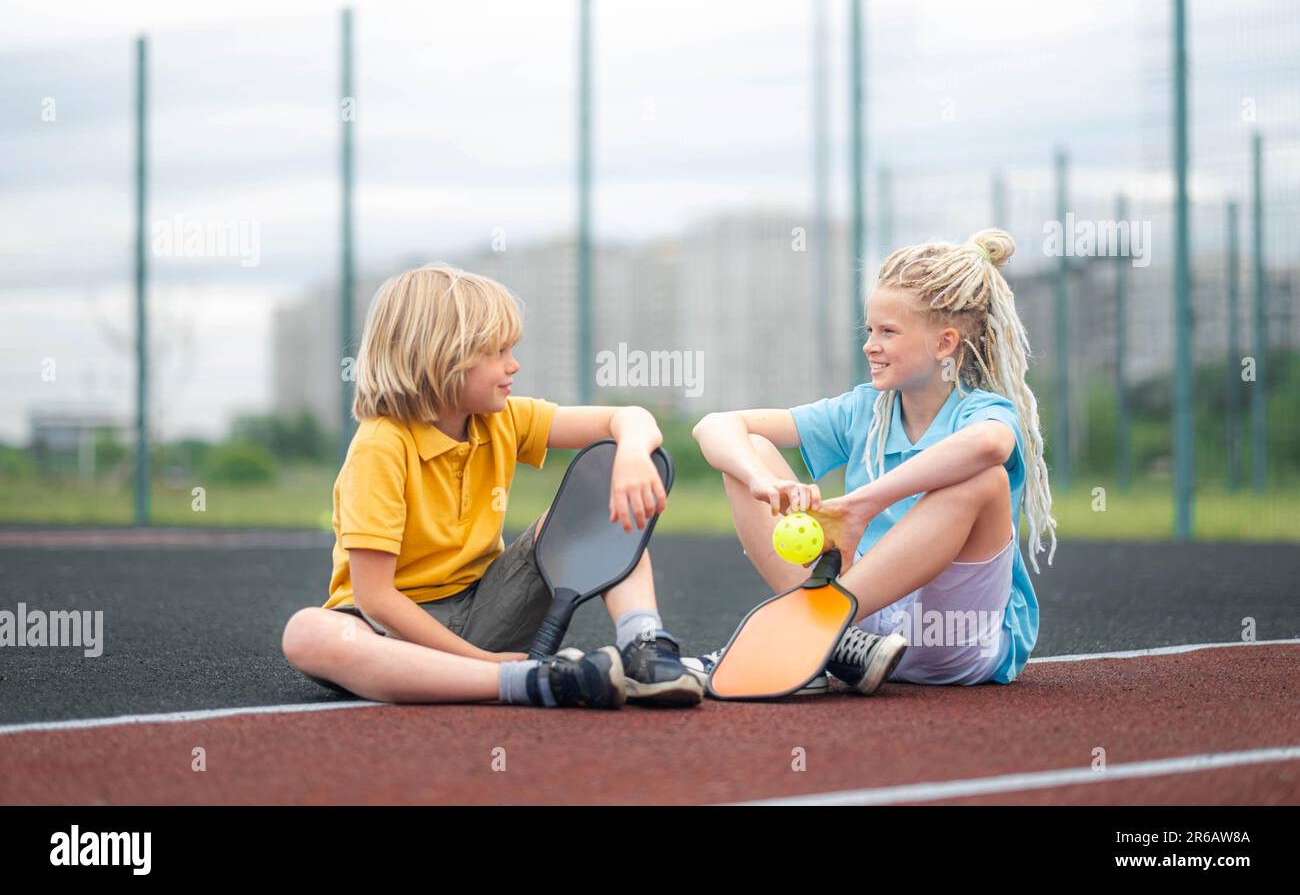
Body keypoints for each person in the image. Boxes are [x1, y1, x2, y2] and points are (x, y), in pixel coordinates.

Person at [281, 264, 703, 709]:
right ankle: (525, 682)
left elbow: (627, 417)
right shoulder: (381, 446)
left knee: (597, 508)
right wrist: (484, 663)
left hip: (485, 608)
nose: (513, 364)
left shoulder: (504, 419)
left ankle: (645, 648)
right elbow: (375, 598)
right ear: (440, 355)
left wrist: (633, 451)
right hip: (390, 633)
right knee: (308, 633)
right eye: (497, 351)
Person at [686, 229, 1057, 693]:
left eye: (888, 332)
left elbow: (990, 448)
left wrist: (859, 504)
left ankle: (807, 630)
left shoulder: (981, 411)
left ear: (944, 345)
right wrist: (762, 480)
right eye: (869, 331)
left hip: (952, 638)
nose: (870, 345)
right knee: (751, 448)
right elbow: (714, 426)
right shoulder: (863, 410)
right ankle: (828, 640)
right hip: (867, 629)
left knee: (984, 480)